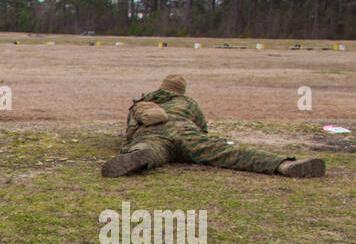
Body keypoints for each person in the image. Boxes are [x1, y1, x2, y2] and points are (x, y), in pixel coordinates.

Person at [102, 74, 325, 178]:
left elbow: (130, 131)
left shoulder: (143, 103)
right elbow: (202, 129)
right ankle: (282, 165)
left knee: (151, 150)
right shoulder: (188, 103)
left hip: (152, 134)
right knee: (229, 153)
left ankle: (140, 157)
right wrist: (199, 144)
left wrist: (131, 145)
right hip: (187, 131)